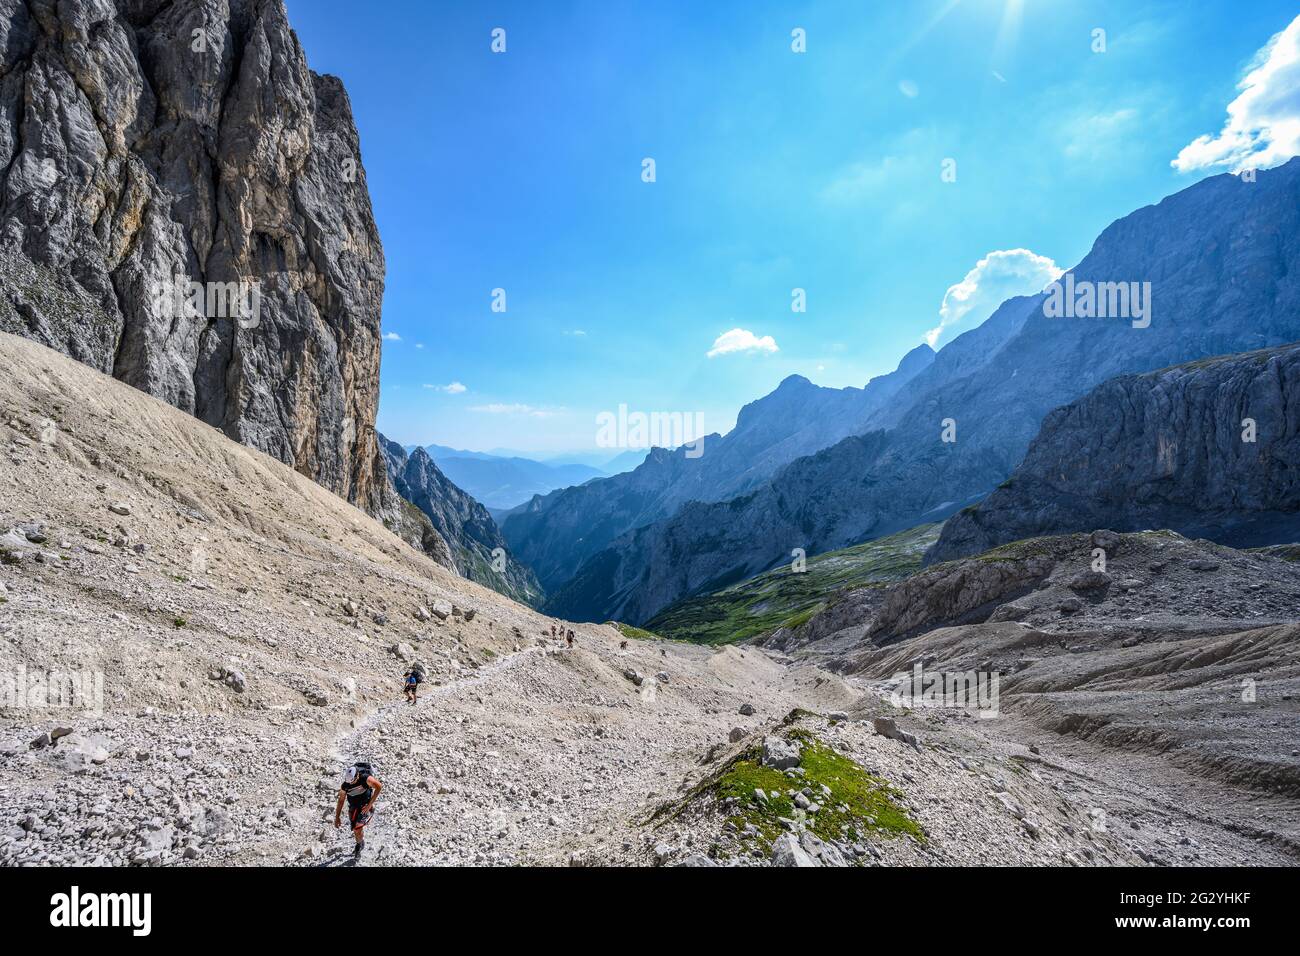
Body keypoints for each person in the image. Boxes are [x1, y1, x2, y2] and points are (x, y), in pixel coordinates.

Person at [335, 762, 382, 859]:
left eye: (353, 781)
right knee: (355, 829)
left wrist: (370, 805)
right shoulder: (346, 785)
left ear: (357, 775)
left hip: (365, 806)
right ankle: (360, 842)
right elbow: (341, 801)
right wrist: (337, 817)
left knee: (357, 828)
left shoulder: (365, 778)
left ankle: (358, 846)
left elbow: (378, 787)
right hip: (353, 807)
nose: (351, 783)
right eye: (349, 782)